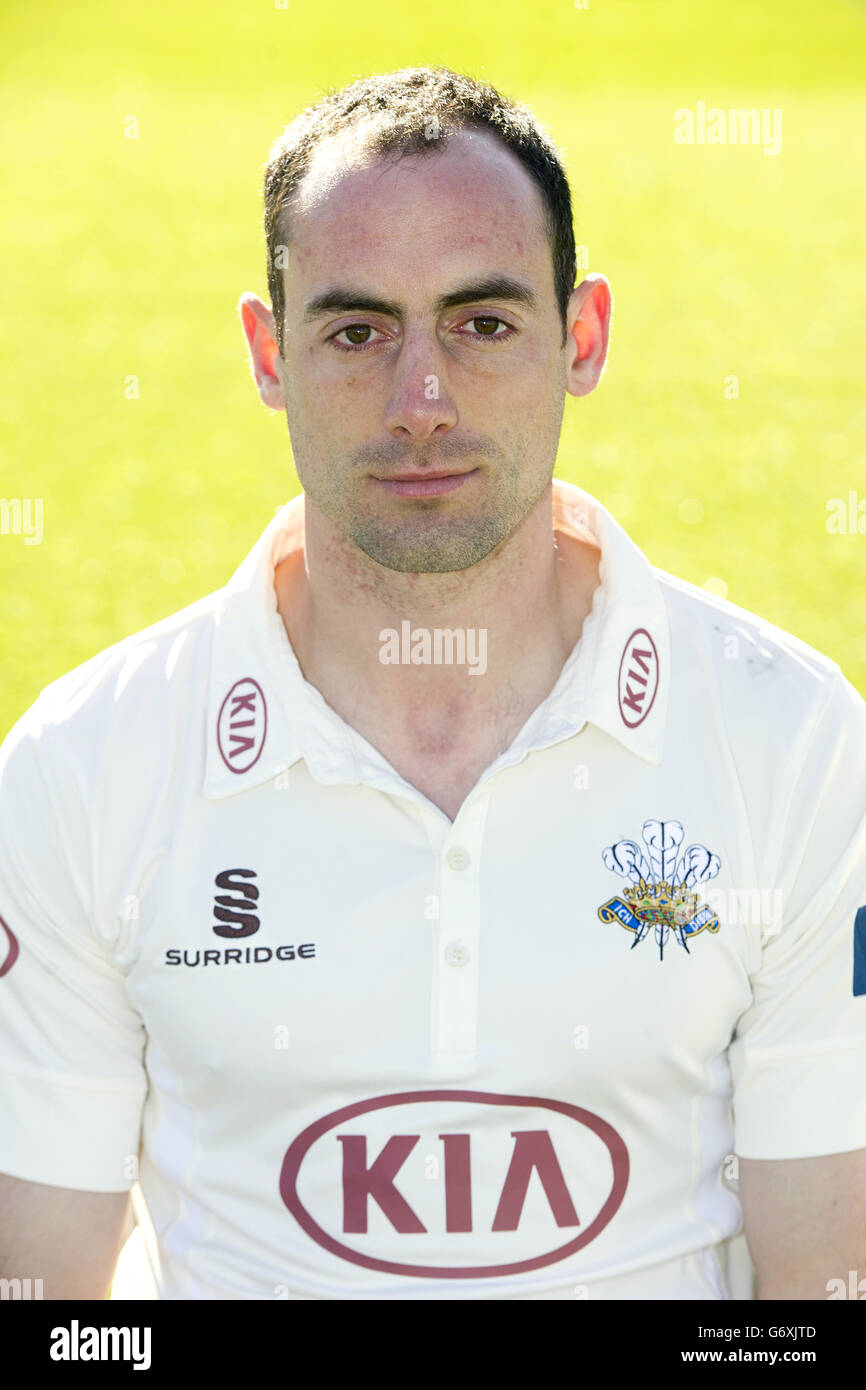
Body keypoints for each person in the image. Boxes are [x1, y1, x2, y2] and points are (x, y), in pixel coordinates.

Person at [1, 65, 864, 1302]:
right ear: (266, 353)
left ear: (582, 336)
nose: (421, 402)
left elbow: (823, 1289)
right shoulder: (80, 767)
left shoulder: (798, 745)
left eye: (482, 322)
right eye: (357, 331)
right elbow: (46, 1309)